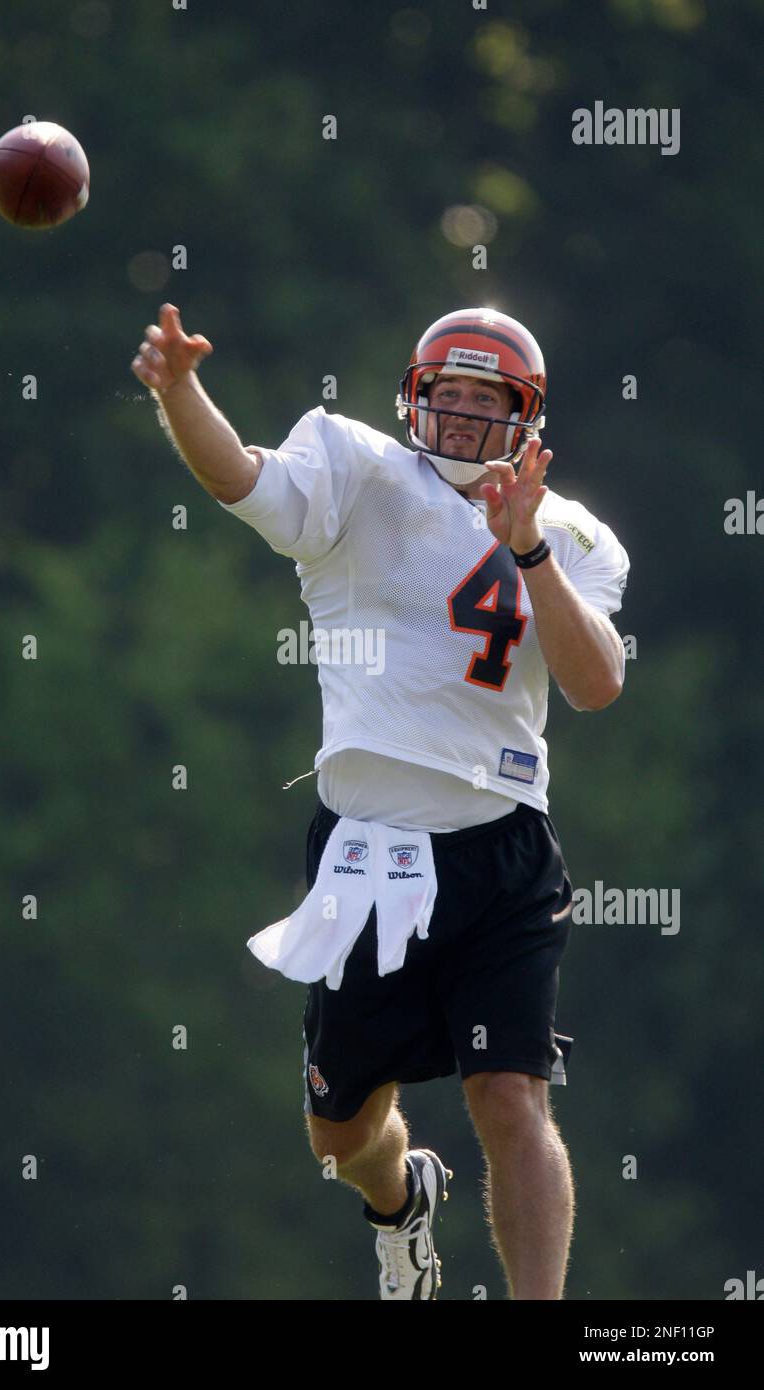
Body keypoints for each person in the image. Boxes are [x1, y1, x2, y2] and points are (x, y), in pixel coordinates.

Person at [131, 304, 630, 1301]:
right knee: (341, 1132)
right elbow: (238, 475)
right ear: (414, 396)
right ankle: (401, 1198)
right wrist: (181, 390)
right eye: (443, 393)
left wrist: (526, 549)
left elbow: (593, 683)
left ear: (521, 415)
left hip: (500, 852)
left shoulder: (573, 535)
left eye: (480, 398)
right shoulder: (357, 470)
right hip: (368, 856)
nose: (454, 414)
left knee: (510, 1094)